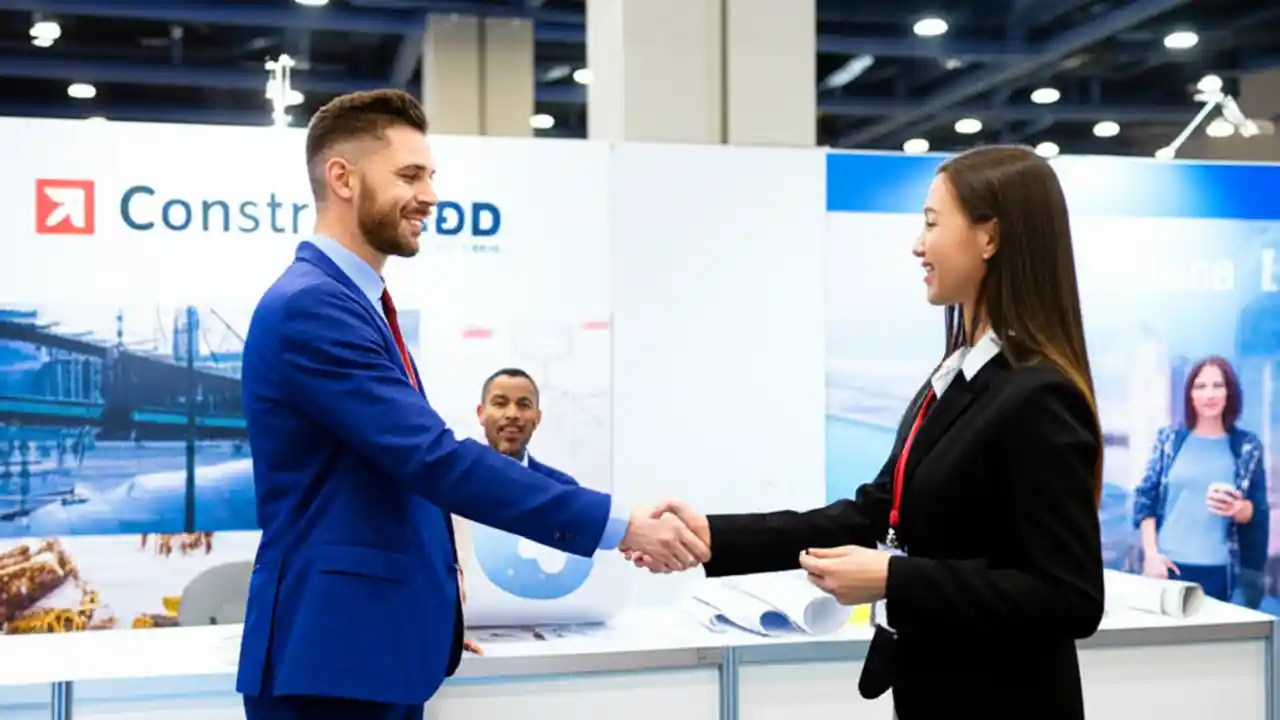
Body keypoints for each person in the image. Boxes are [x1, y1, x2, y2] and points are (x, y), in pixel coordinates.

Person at [235, 89, 709, 720]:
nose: (430, 195)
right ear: (342, 178)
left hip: (367, 650)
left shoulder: (351, 303)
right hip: (332, 663)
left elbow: (395, 479)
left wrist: (427, 615)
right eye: (410, 175)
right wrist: (620, 524)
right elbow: (433, 460)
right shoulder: (313, 307)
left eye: (430, 175)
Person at [632, 145, 1106, 720]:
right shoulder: (958, 379)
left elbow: (1069, 596)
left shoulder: (1038, 396)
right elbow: (875, 514)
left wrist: (894, 577)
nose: (917, 245)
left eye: (932, 224)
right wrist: (712, 536)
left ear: (989, 238)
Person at [1133, 355, 1269, 606]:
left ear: (1229, 392)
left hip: (1221, 574)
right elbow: (1145, 500)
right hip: (1168, 568)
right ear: (1190, 395)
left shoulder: (1247, 447)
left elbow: (1257, 510)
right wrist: (1151, 555)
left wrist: (1238, 509)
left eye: (1218, 385)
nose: (1209, 394)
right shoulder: (1168, 441)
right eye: (1200, 386)